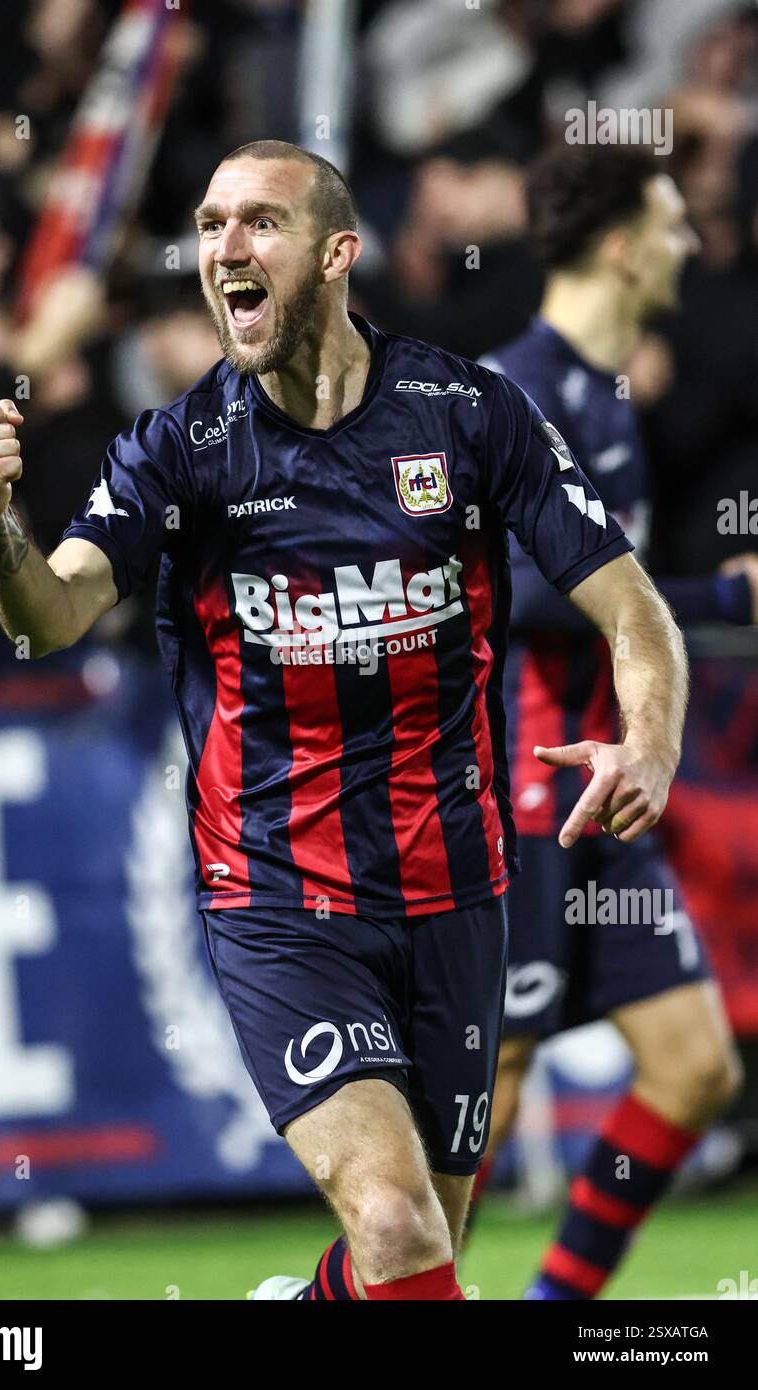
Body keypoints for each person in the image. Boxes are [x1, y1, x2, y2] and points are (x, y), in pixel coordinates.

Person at [0, 139, 688, 1302]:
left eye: (259, 223)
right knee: (398, 1226)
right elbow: (49, 614)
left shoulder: (470, 414)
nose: (224, 249)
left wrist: (649, 740)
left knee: (425, 1249)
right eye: (209, 226)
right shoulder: (179, 450)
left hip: (456, 889)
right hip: (281, 898)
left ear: (339, 253)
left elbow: (633, 609)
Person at [475, 143, 749, 1300]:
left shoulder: (608, 394)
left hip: (607, 793)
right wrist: (726, 598)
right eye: (673, 222)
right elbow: (536, 595)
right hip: (522, 782)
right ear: (626, 247)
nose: (691, 243)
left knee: (694, 1069)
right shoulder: (517, 394)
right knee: (490, 1090)